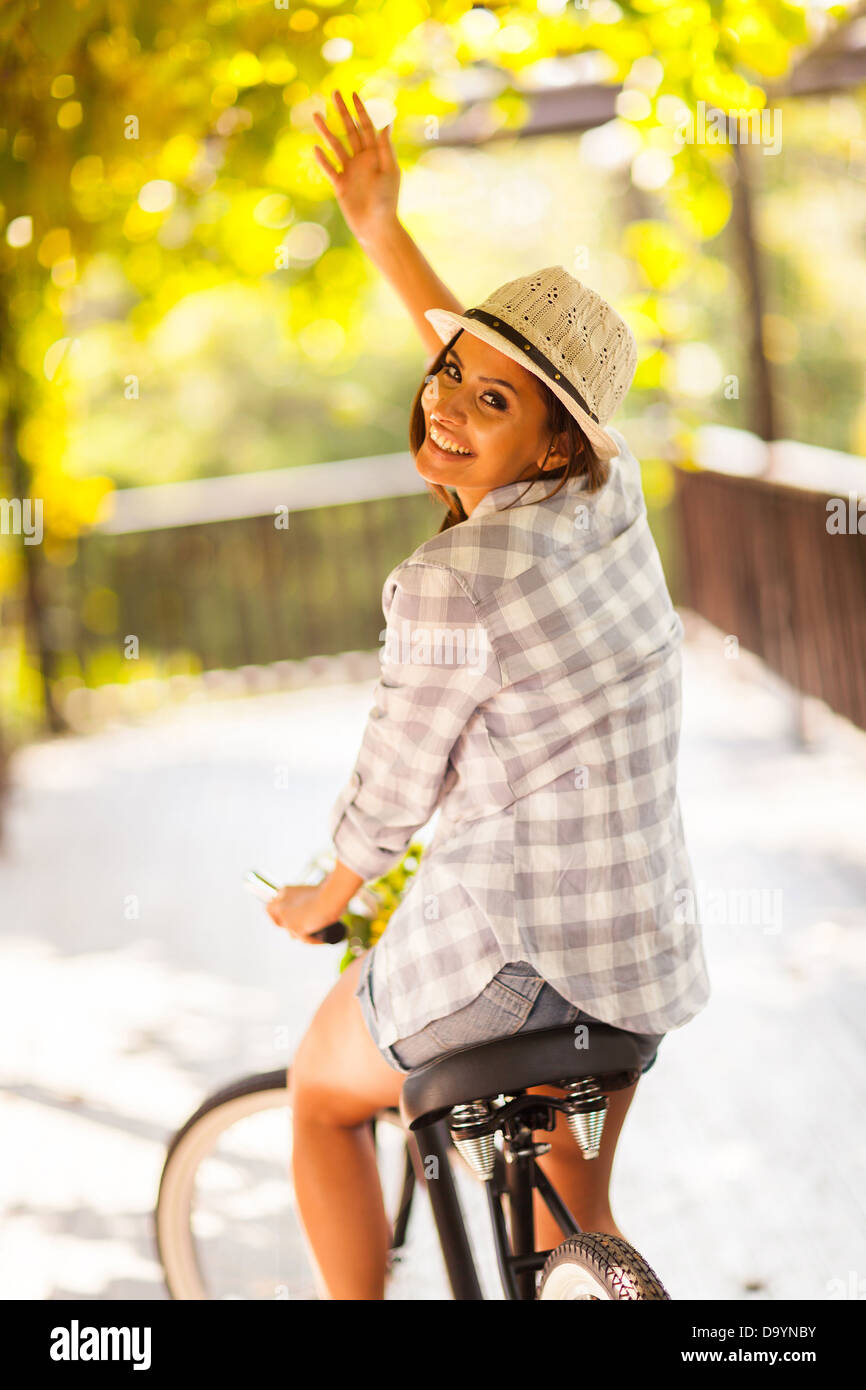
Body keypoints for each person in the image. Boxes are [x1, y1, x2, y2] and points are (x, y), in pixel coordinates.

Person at [266, 91, 711, 1300]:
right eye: (447, 375)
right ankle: (595, 1261)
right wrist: (379, 227)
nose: (446, 406)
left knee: (318, 1093)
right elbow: (494, 371)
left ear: (553, 442)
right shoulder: (606, 496)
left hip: (509, 962)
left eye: (489, 402)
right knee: (575, 1222)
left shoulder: (448, 580)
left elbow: (390, 790)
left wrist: (327, 894)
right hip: (636, 957)